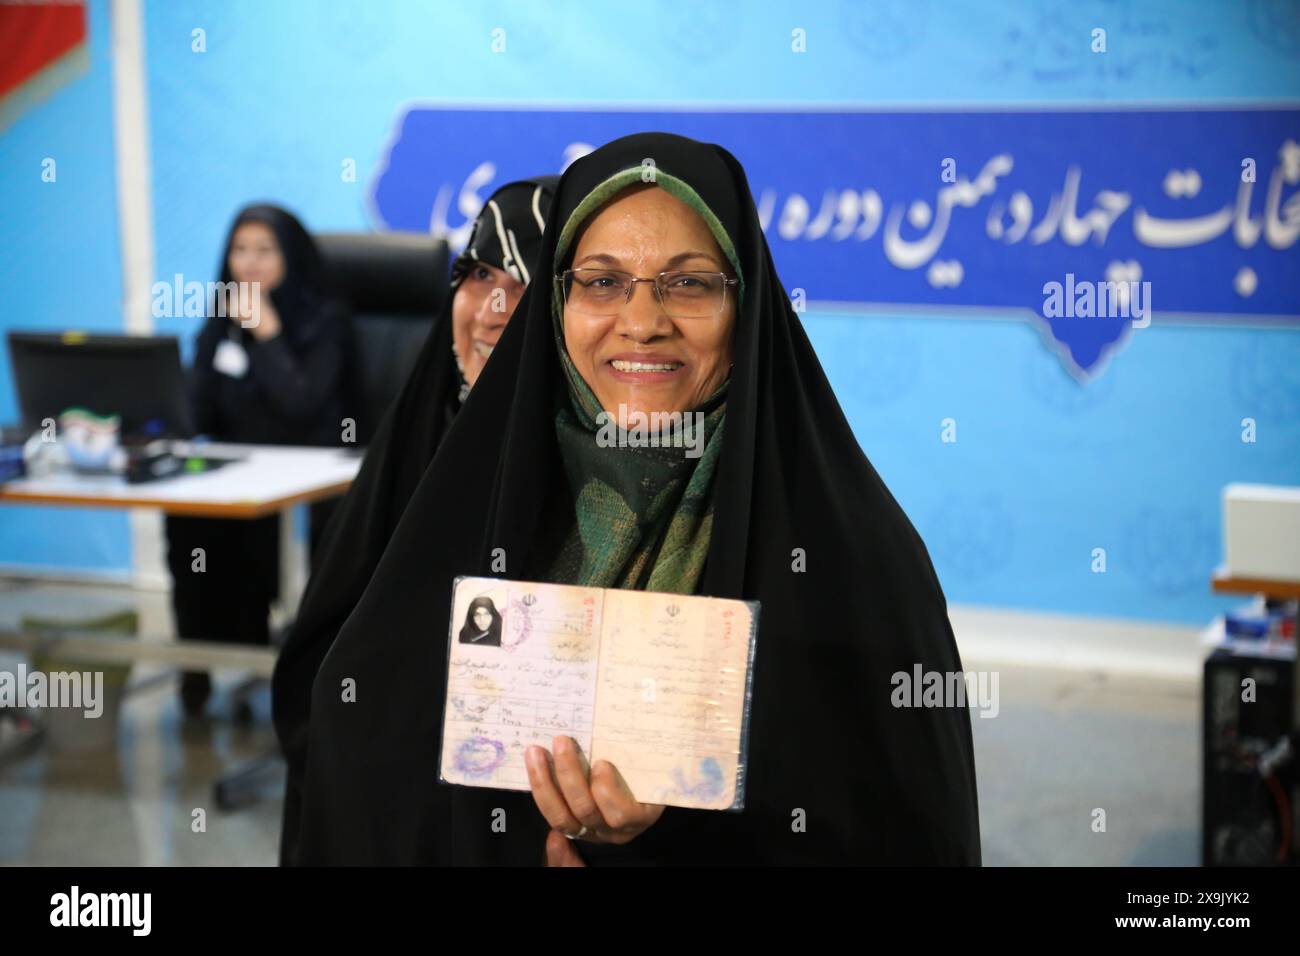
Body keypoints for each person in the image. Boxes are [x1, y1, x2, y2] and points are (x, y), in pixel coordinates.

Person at [291, 133, 981, 865]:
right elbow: (361, 761)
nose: (644, 322)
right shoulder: (466, 508)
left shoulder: (854, 562)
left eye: (689, 284)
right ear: (557, 309)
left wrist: (654, 853)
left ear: (745, 304)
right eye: (602, 282)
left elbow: (899, 832)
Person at [271, 176, 558, 864]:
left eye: (522, 281)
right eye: (477, 275)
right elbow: (324, 651)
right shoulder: (419, 432)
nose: (490, 310)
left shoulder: (591, 477)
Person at [165, 204, 348, 718]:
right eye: (239, 250)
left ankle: (294, 670)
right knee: (188, 521)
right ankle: (199, 658)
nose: (249, 263)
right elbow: (194, 413)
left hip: (313, 474)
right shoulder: (222, 320)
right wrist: (219, 336)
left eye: (265, 251)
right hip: (238, 473)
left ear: (291, 257)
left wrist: (267, 336)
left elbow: (303, 405)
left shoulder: (325, 320)